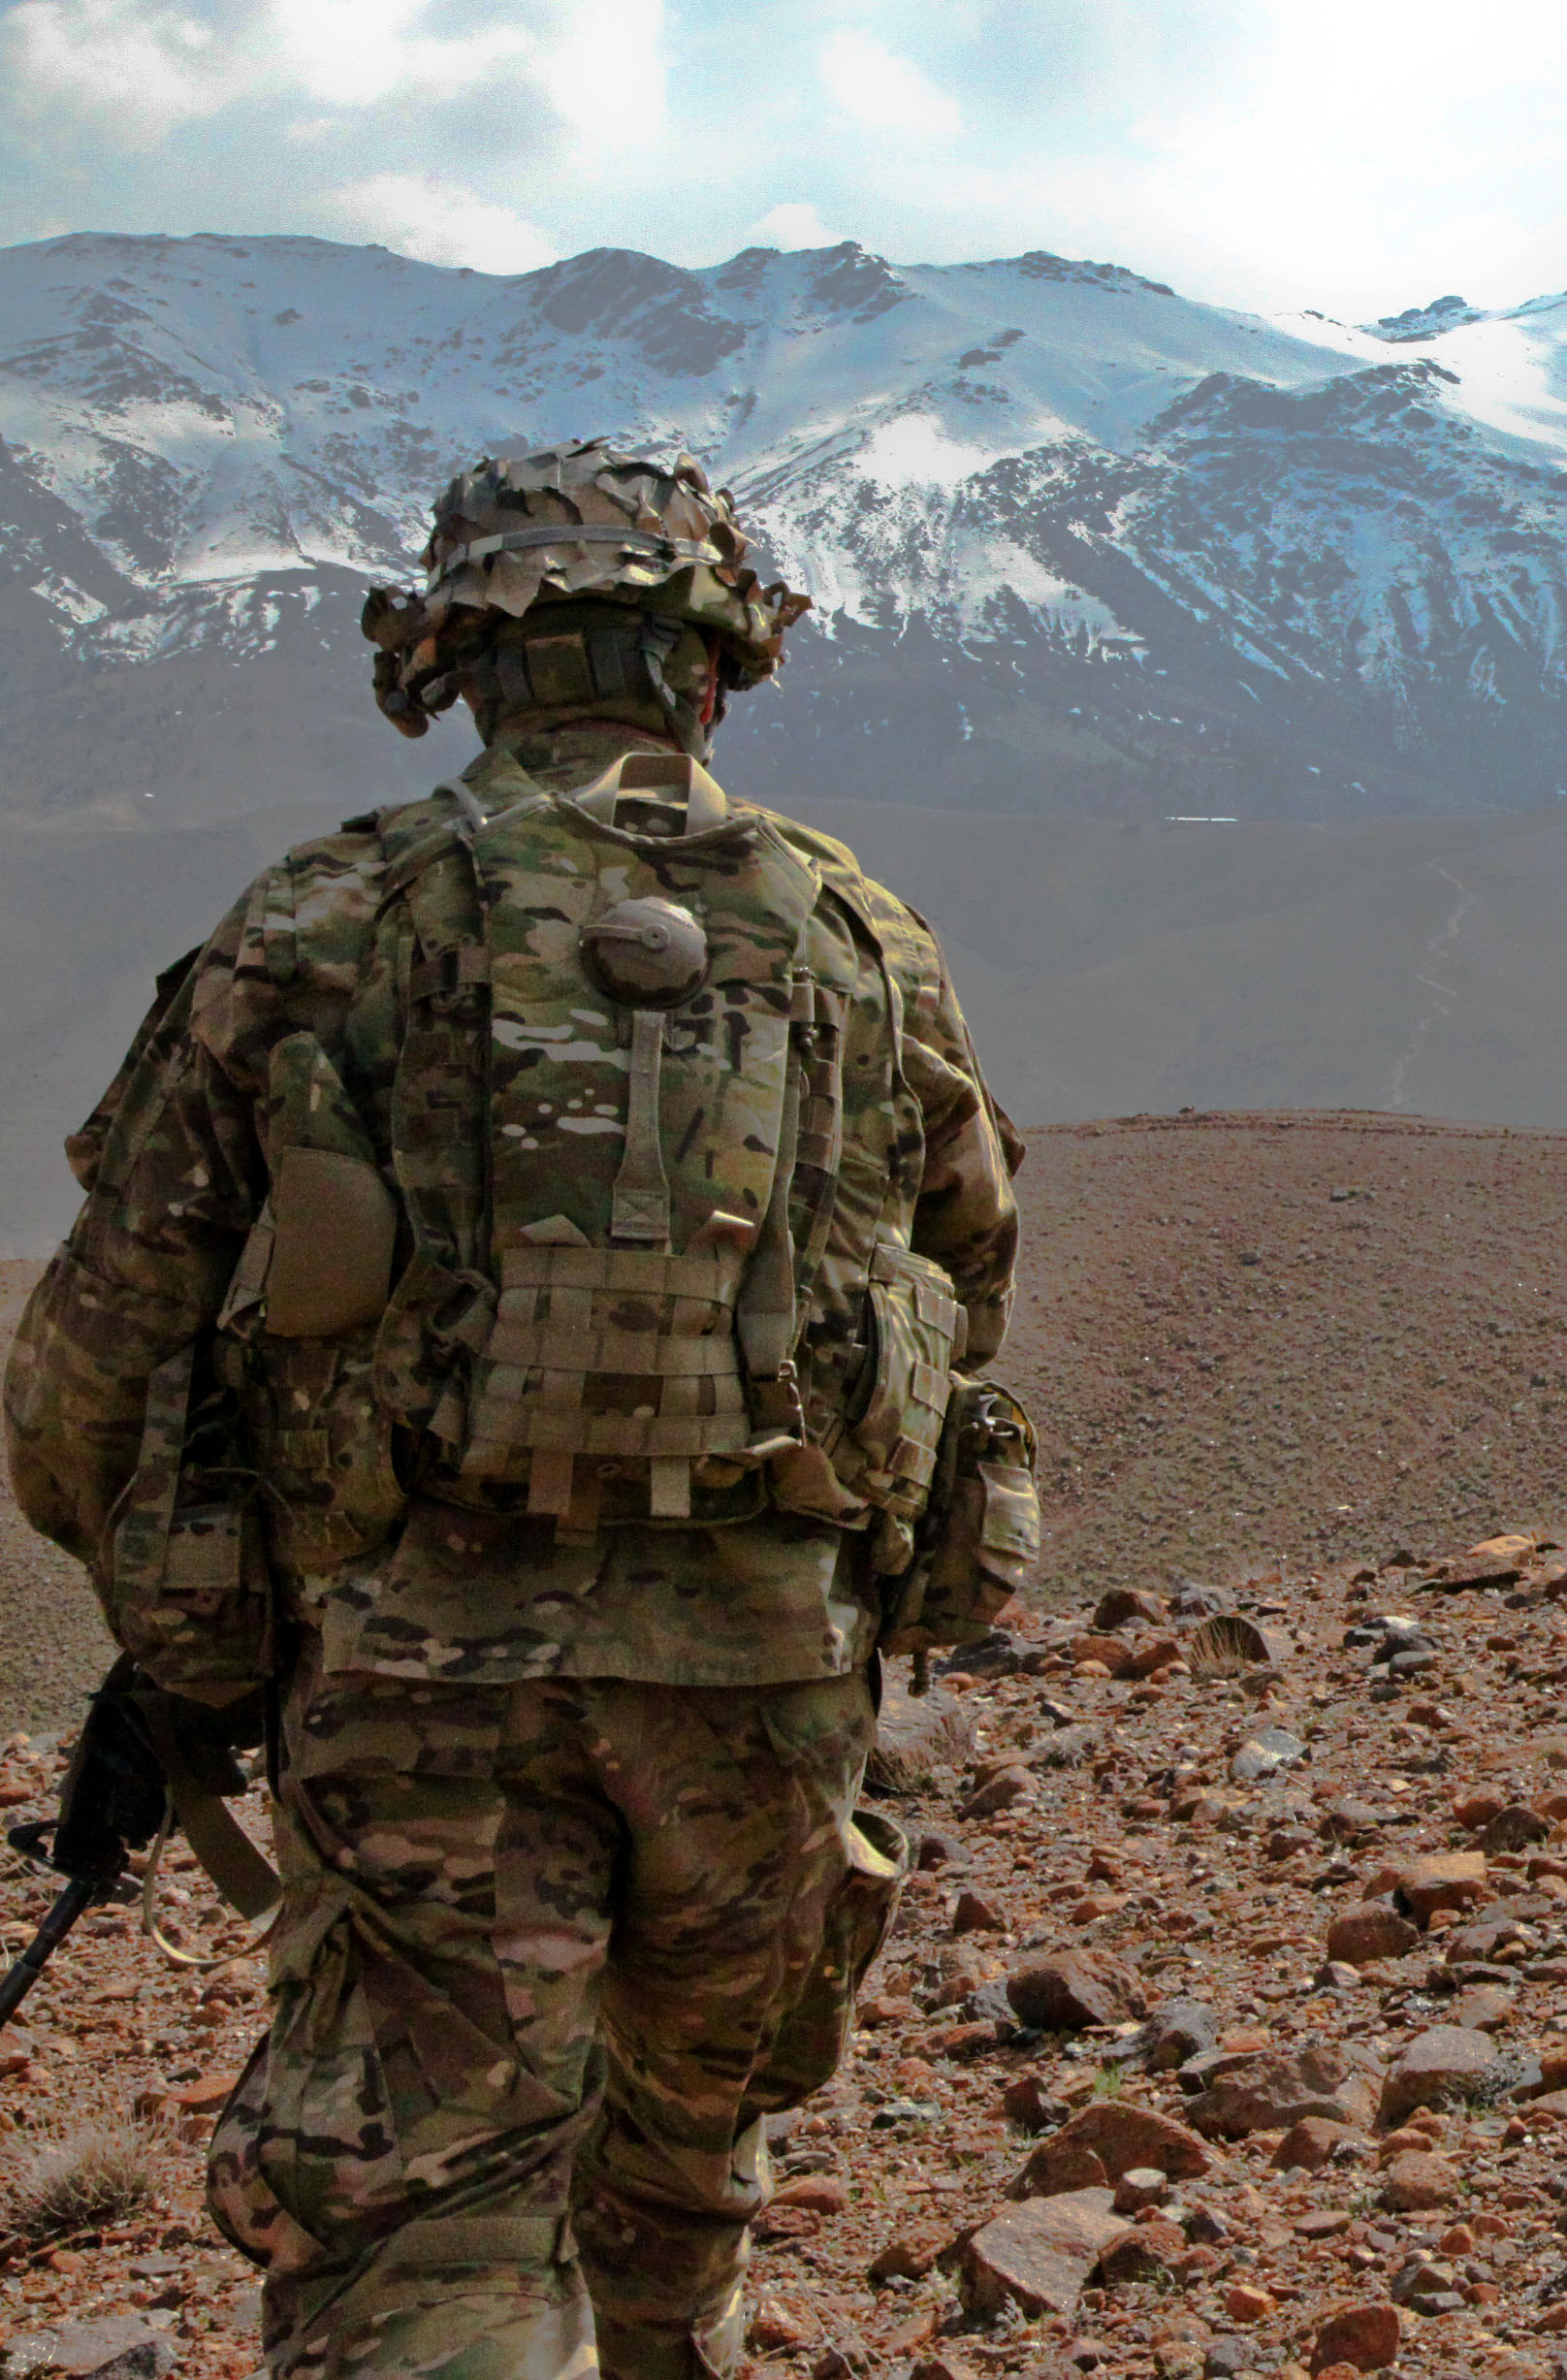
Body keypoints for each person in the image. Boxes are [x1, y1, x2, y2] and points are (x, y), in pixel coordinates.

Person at [4, 442, 1032, 2380]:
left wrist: (183, 1639)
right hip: (767, 1698)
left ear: (463, 665)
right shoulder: (859, 937)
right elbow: (964, 1281)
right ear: (711, 667)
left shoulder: (331, 916)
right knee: (675, 2188)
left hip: (422, 1686)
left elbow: (91, 1359)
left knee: (429, 2233)